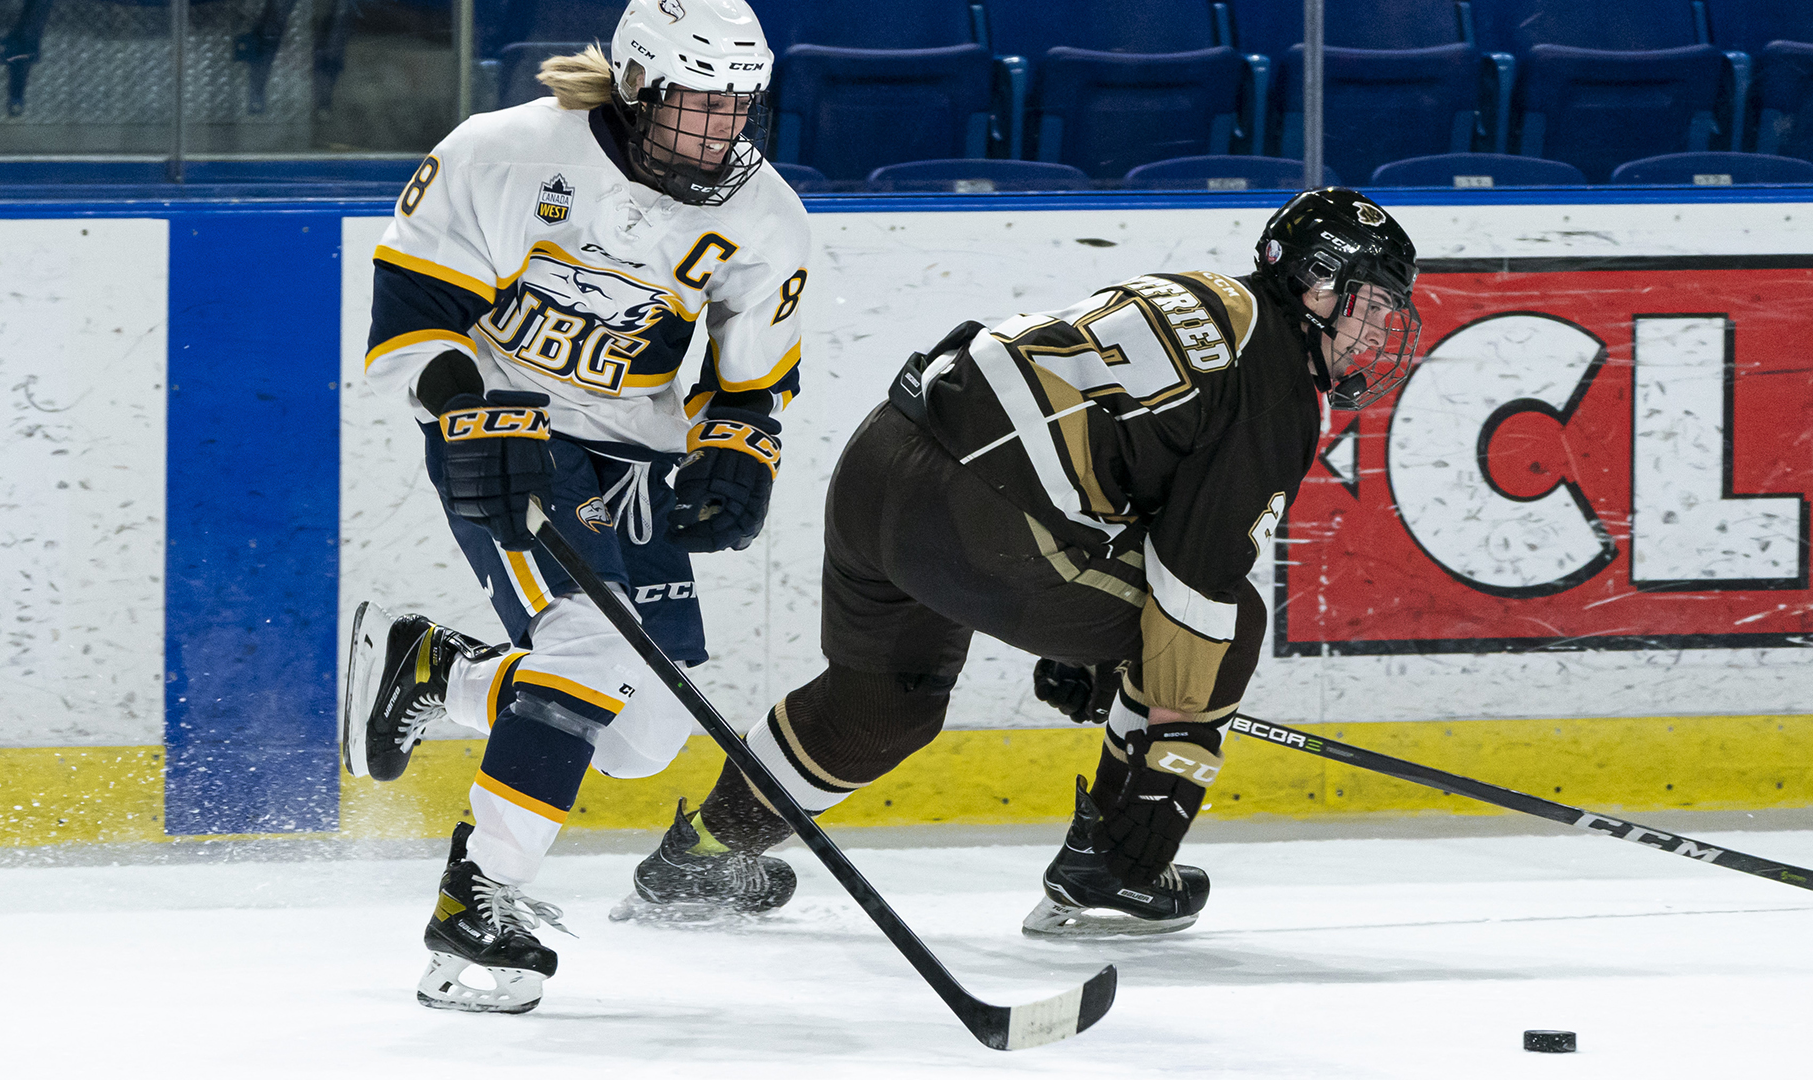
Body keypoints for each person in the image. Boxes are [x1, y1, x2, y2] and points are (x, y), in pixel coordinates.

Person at [624, 187, 1420, 936]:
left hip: (884, 461)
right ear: (1317, 285)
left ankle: (699, 860)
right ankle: (1116, 865)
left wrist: (1093, 648)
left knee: (883, 704)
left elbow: (1119, 461)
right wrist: (1164, 713)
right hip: (984, 520)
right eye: (1371, 302)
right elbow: (1194, 585)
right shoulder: (1275, 387)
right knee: (1224, 627)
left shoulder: (1205, 292)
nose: (1379, 330)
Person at [340, 0, 810, 1013]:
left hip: (632, 454)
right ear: (639, 85)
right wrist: (466, 415)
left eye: (738, 106)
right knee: (591, 646)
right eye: (699, 103)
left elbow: (749, 379)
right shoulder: (505, 154)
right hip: (507, 432)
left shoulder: (764, 215)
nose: (722, 127)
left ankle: (437, 669)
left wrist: (740, 453)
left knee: (644, 741)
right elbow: (416, 316)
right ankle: (479, 907)